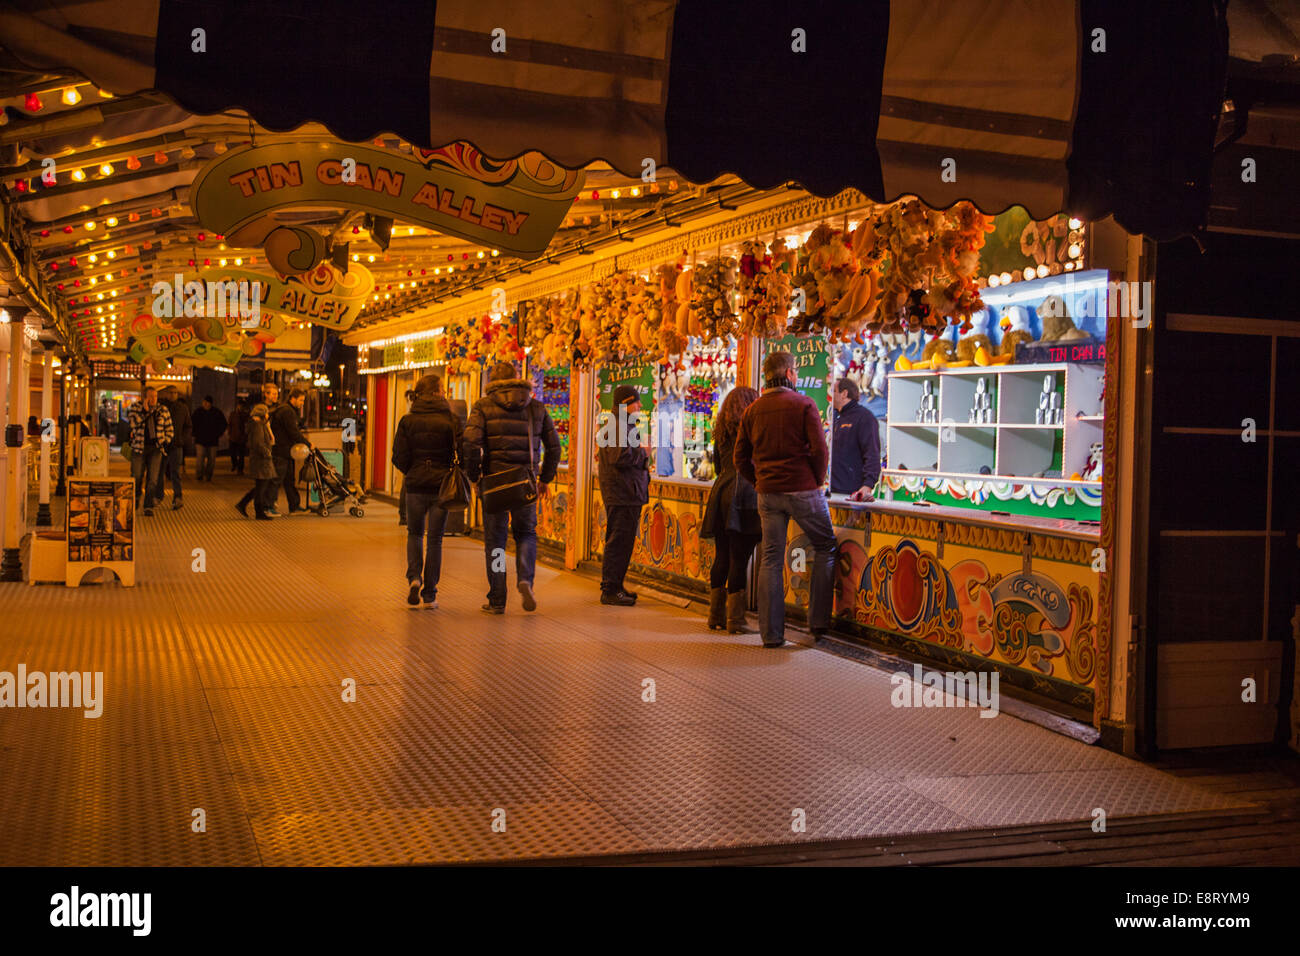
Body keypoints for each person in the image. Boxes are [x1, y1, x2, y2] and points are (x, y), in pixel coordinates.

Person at [734, 350, 836, 648]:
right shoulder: (804, 404)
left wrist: (759, 481)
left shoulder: (752, 410)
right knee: (825, 546)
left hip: (768, 494)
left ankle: (771, 635)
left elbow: (740, 458)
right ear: (790, 373)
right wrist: (816, 480)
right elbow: (820, 451)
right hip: (803, 489)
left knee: (771, 558)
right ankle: (817, 624)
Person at [464, 362, 560, 614]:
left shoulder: (483, 407)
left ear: (492, 381)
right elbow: (555, 447)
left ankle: (497, 598)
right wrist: (544, 479)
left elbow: (471, 444)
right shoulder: (536, 408)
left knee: (495, 542)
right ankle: (525, 580)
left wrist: (474, 477)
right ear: (518, 379)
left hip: (495, 484)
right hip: (525, 483)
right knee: (526, 534)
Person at [391, 374, 463, 609]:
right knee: (435, 540)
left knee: (414, 534)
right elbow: (462, 452)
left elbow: (398, 456)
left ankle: (414, 578)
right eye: (443, 389)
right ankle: (430, 593)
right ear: (437, 392)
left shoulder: (407, 420)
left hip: (415, 486)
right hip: (442, 486)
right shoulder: (451, 420)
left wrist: (412, 470)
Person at [701, 386, 761, 633]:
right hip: (745, 494)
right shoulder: (752, 428)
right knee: (740, 558)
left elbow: (717, 465)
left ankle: (716, 615)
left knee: (722, 555)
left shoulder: (722, 431)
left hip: (721, 491)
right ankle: (736, 619)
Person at [597, 385, 649, 606]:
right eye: (636, 402)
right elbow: (620, 456)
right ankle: (610, 589)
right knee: (619, 540)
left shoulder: (619, 424)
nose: (640, 406)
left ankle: (616, 585)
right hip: (622, 492)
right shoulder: (618, 426)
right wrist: (643, 452)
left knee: (622, 540)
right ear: (626, 404)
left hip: (625, 491)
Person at [830, 377, 881, 500]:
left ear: (844, 394)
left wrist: (867, 485)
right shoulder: (832, 417)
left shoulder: (864, 418)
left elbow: (872, 454)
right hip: (829, 489)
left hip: (850, 492)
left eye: (833, 391)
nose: (830, 394)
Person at [127, 388, 173, 517]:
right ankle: (136, 498)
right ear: (144, 398)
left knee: (153, 479)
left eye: (155, 396)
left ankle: (148, 505)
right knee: (136, 475)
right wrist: (145, 411)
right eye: (150, 396)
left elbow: (169, 428)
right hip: (138, 448)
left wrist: (165, 442)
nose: (153, 399)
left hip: (156, 449)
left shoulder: (162, 410)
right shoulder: (136, 408)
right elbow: (132, 423)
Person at [267, 384, 310, 515]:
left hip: (286, 451)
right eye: (301, 400)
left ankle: (294, 506)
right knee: (277, 479)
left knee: (289, 480)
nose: (302, 403)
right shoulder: (287, 411)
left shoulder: (286, 410)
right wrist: (307, 443)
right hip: (282, 451)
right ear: (293, 398)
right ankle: (268, 506)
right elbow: (293, 432)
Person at [235, 403, 276, 520]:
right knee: (262, 486)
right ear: (262, 414)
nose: (268, 415)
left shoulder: (260, 424)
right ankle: (257, 510)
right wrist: (267, 453)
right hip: (261, 460)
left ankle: (244, 504)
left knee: (260, 485)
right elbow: (258, 443)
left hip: (261, 459)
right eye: (266, 413)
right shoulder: (257, 425)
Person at [154, 385, 191, 509]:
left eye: (175, 392)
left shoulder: (182, 408)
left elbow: (188, 426)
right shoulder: (160, 408)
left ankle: (178, 497)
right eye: (171, 392)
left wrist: (182, 438)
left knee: (176, 472)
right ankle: (158, 496)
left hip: (176, 444)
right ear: (166, 394)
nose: (173, 395)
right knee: (160, 472)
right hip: (163, 444)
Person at [192, 394, 228, 482]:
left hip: (213, 441)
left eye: (207, 402)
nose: (205, 404)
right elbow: (191, 423)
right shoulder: (198, 412)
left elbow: (224, 424)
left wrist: (218, 434)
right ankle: (199, 475)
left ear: (210, 403)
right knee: (200, 459)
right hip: (200, 440)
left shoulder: (217, 412)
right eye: (204, 402)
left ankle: (208, 475)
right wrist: (194, 433)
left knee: (211, 460)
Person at [227, 397, 249, 475]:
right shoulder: (233, 414)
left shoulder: (246, 415)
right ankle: (234, 464)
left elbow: (247, 426)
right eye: (240, 406)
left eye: (242, 406)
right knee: (232, 453)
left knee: (241, 455)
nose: (241, 407)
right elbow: (229, 424)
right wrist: (229, 433)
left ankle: (240, 469)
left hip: (242, 438)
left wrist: (246, 437)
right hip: (233, 437)